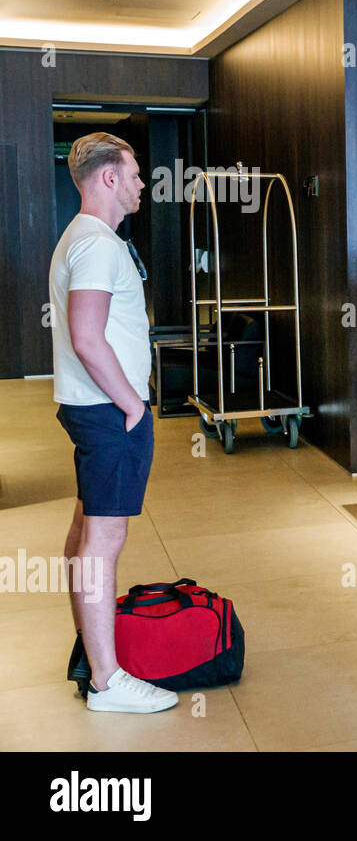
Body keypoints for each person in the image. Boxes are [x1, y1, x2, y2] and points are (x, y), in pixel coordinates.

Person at [49, 133, 177, 713]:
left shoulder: (82, 237)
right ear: (109, 178)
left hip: (91, 407)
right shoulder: (98, 245)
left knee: (86, 532)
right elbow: (86, 335)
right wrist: (132, 405)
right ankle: (106, 681)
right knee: (104, 540)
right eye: (134, 173)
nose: (142, 183)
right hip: (107, 412)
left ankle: (90, 649)